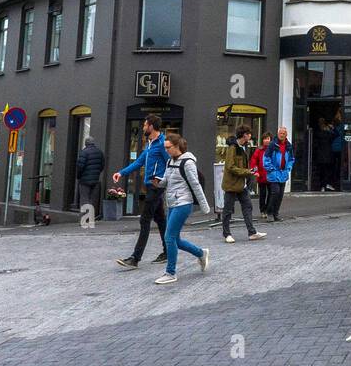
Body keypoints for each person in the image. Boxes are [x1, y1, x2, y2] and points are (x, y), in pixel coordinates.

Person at [113, 115, 171, 269]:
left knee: (144, 220)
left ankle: (135, 258)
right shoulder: (150, 144)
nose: (144, 127)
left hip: (156, 186)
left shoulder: (162, 144)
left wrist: (162, 180)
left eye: (145, 125)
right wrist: (122, 173)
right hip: (150, 186)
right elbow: (139, 162)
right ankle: (168, 252)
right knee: (160, 219)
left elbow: (171, 162)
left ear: (151, 126)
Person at [154, 134, 212, 284]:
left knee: (169, 237)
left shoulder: (188, 163)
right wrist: (157, 182)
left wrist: (205, 207)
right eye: (165, 147)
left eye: (168, 148)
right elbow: (166, 181)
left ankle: (170, 272)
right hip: (173, 203)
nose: (166, 150)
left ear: (177, 146)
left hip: (183, 203)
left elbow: (195, 185)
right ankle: (201, 253)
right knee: (175, 239)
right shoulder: (169, 161)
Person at [221, 126, 266, 244]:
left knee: (248, 206)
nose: (250, 136)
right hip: (232, 184)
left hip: (242, 184)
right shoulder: (233, 148)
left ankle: (252, 232)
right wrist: (247, 172)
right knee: (228, 209)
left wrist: (249, 171)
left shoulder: (242, 147)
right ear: (244, 135)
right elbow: (230, 167)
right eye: (249, 134)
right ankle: (227, 234)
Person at [262, 126, 294, 221]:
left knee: (280, 195)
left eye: (283, 133)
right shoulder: (272, 145)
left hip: (283, 173)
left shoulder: (289, 146)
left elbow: (292, 159)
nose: (282, 135)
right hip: (274, 173)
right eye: (280, 133)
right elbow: (266, 158)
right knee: (275, 192)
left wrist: (288, 168)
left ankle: (276, 213)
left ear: (286, 135)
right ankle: (269, 212)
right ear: (278, 134)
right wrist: (271, 168)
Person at [75, 136, 104, 217]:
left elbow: (80, 166)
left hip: (84, 180)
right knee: (91, 199)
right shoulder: (99, 152)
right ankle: (90, 216)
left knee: (84, 198)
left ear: (86, 143)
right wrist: (97, 174)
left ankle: (84, 218)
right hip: (95, 179)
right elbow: (102, 165)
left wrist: (78, 176)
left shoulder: (84, 152)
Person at [251, 132, 272, 214]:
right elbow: (253, 161)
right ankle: (262, 210)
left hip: (271, 175)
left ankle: (268, 209)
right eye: (265, 139)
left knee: (271, 194)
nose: (266, 140)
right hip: (261, 176)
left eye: (268, 139)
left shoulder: (273, 150)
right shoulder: (259, 150)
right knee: (262, 194)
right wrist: (255, 171)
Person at [327, 110, 345, 191]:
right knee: (337, 167)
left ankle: (334, 183)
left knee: (334, 167)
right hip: (339, 148)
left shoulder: (335, 127)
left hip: (335, 148)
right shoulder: (340, 126)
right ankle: (337, 183)